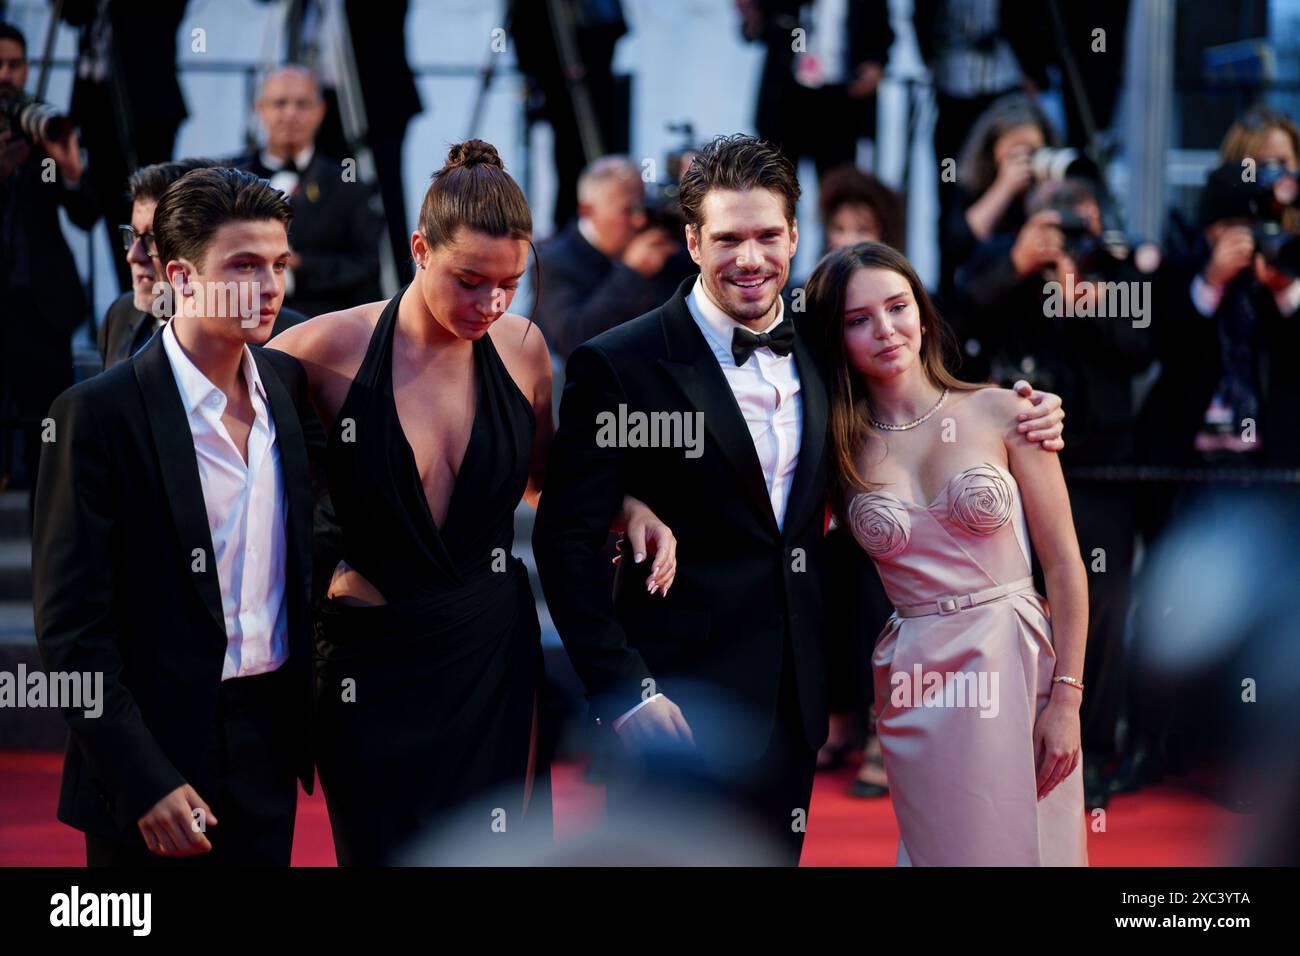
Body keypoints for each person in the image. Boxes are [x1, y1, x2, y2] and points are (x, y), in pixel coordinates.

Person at [533, 134, 1066, 864]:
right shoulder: (621, 363)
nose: (749, 258)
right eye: (727, 239)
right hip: (677, 704)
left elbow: (918, 396)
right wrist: (626, 691)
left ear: (793, 234)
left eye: (766, 236)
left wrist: (1026, 409)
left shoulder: (824, 344)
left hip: (796, 704)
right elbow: (563, 539)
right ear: (692, 241)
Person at [268, 139, 677, 865]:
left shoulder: (522, 348)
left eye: (511, 284)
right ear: (420, 249)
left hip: (490, 655)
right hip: (372, 663)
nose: (490, 303)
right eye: (469, 280)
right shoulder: (318, 351)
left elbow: (548, 482)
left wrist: (631, 505)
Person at [33, 167, 316, 865]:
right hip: (146, 755)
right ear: (183, 277)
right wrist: (141, 780)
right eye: (244, 265)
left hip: (268, 750)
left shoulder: (289, 386)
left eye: (277, 263)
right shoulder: (97, 416)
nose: (271, 286)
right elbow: (72, 632)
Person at [804, 240, 1088, 866]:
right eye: (857, 319)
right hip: (916, 673)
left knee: (1031, 847)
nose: (885, 330)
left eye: (898, 306)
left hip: (1015, 657)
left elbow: (1066, 562)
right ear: (835, 336)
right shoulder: (832, 452)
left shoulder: (1006, 411)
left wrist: (1067, 698)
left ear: (924, 313)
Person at [0, 22, 99, 520]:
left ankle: (50, 537)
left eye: (15, 64)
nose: (6, 75)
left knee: (50, 435)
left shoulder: (40, 127)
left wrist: (73, 171)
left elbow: (85, 216)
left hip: (43, 309)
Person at [98, 159, 311, 370]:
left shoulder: (297, 343)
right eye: (132, 235)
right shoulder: (119, 316)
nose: (133, 256)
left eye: (153, 239)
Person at [232, 65, 383, 318]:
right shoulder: (227, 178)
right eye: (279, 103)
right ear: (259, 109)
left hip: (322, 328)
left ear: (320, 111)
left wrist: (303, 267)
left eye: (301, 104)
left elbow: (366, 266)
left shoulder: (349, 185)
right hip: (241, 323)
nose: (290, 114)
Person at [533, 156, 690, 361]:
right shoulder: (552, 263)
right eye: (627, 210)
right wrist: (632, 273)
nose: (640, 220)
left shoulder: (655, 242)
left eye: (641, 207)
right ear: (587, 210)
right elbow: (574, 340)